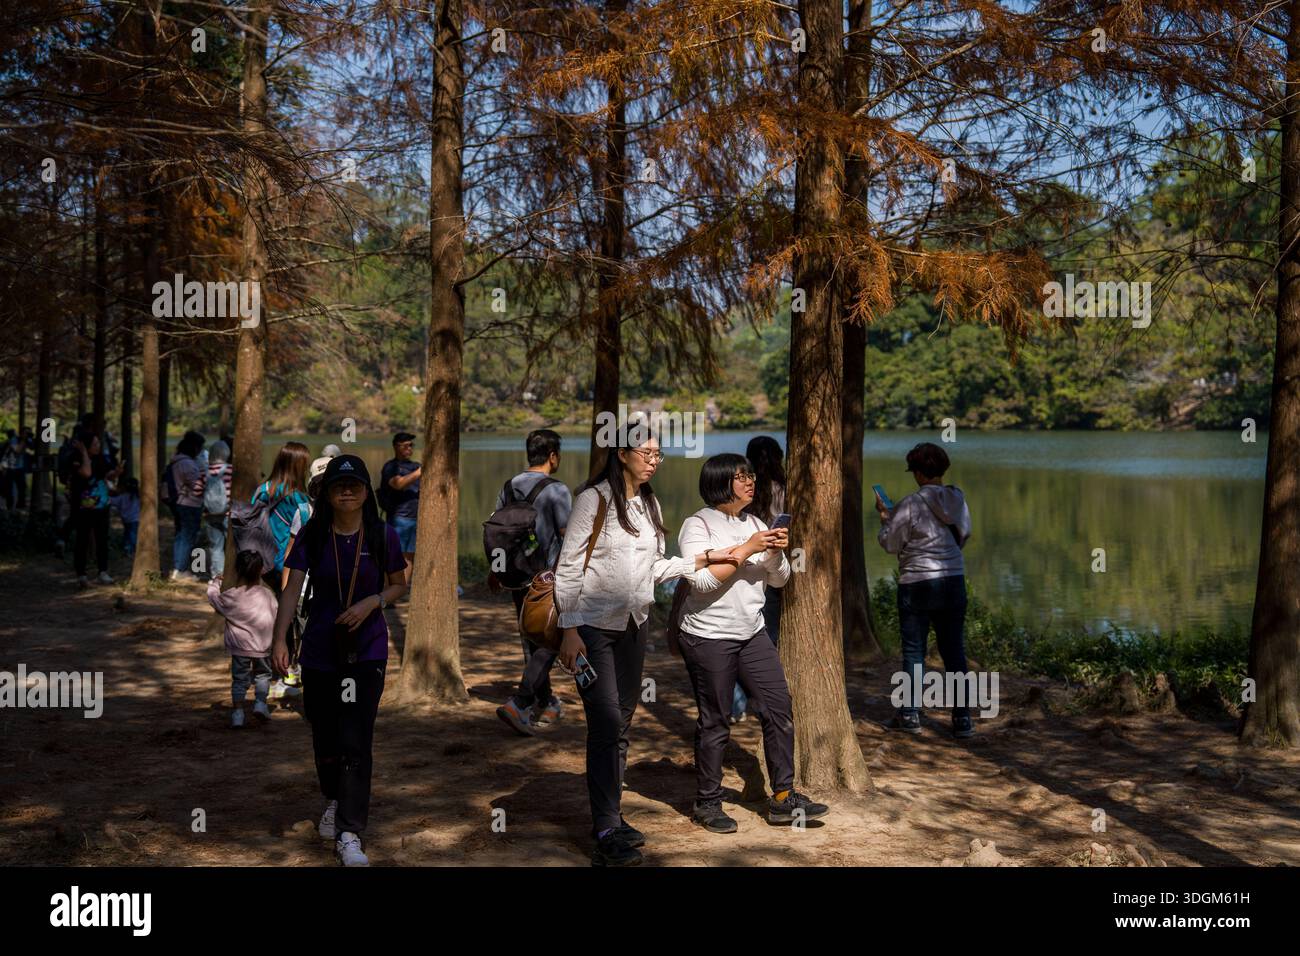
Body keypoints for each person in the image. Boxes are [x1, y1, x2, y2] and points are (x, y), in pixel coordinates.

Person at [553, 430, 739, 866]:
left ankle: (613, 817)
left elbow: (656, 566)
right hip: (591, 628)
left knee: (622, 725)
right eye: (647, 452)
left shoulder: (649, 503)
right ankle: (603, 830)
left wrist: (710, 556)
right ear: (622, 454)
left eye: (659, 454)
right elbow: (568, 565)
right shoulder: (592, 500)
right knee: (606, 720)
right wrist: (569, 628)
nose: (655, 460)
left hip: (635, 626)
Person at [675, 453, 828, 833]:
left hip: (752, 634)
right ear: (720, 482)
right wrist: (748, 548)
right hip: (708, 635)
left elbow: (779, 580)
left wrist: (773, 553)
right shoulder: (697, 525)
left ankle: (782, 797)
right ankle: (708, 801)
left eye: (751, 475)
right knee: (716, 722)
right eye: (741, 477)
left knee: (779, 708)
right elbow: (703, 583)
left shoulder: (756, 522)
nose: (750, 482)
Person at [272, 454, 407, 867]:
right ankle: (334, 797)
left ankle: (350, 832)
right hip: (318, 653)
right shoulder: (312, 536)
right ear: (327, 494)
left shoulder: (383, 536)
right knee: (325, 738)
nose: (347, 491)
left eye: (355, 484)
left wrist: (374, 601)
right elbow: (292, 590)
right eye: (338, 485)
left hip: (367, 653)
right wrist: (279, 639)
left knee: (356, 742)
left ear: (367, 492)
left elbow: (400, 584)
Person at [876, 441, 974, 738]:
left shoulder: (911, 504)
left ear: (918, 473)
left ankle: (910, 714)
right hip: (953, 579)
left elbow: (891, 544)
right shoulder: (957, 498)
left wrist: (885, 520)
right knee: (954, 651)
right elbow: (965, 533)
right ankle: (963, 720)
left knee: (914, 650)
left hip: (917, 582)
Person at [492, 429, 572, 735]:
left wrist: (496, 571)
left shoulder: (509, 486)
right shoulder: (557, 490)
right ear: (552, 456)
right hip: (549, 580)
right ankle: (520, 703)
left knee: (532, 639)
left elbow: (500, 530)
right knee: (551, 639)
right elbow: (568, 537)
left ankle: (546, 702)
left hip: (517, 575)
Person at [733, 434, 787, 722]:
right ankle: (760, 696)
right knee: (767, 636)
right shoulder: (785, 489)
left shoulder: (744, 490)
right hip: (773, 567)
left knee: (739, 632)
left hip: (744, 567)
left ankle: (738, 699)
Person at [208, 550, 277, 728]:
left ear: (237, 570)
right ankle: (261, 704)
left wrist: (215, 583)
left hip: (240, 648)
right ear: (261, 570)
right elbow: (276, 615)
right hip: (262, 647)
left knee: (239, 679)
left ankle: (237, 713)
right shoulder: (268, 596)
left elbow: (214, 599)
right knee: (263, 675)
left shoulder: (231, 595)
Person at [69, 423, 120, 587]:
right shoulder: (75, 459)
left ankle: (102, 572)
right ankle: (81, 575)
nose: (99, 446)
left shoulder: (100, 459)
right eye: (95, 444)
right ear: (86, 445)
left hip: (102, 506)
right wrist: (84, 453)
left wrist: (116, 473)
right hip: (83, 508)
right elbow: (86, 473)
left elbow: (107, 475)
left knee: (102, 540)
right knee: (82, 540)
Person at [379, 432, 421, 584]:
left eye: (411, 445)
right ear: (396, 447)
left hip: (415, 517)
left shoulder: (415, 465)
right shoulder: (391, 467)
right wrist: (419, 473)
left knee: (409, 556)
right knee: (392, 555)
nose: (409, 448)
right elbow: (398, 484)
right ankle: (386, 590)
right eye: (406, 446)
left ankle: (400, 589)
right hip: (398, 518)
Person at [167, 431, 206, 582]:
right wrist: (205, 474)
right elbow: (197, 487)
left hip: (179, 503)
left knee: (180, 536)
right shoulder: (188, 464)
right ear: (195, 448)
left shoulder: (176, 461)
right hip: (190, 504)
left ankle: (178, 568)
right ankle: (181, 570)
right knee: (188, 537)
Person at [203, 440, 234, 579]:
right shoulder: (230, 469)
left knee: (215, 546)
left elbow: (198, 491)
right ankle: (232, 573)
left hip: (210, 513)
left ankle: (217, 576)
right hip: (227, 512)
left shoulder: (204, 471)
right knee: (232, 544)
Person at [109, 477, 141, 557]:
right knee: (132, 534)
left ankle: (127, 549)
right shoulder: (138, 497)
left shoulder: (123, 497)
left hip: (126, 520)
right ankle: (132, 550)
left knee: (127, 533)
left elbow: (112, 501)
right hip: (135, 519)